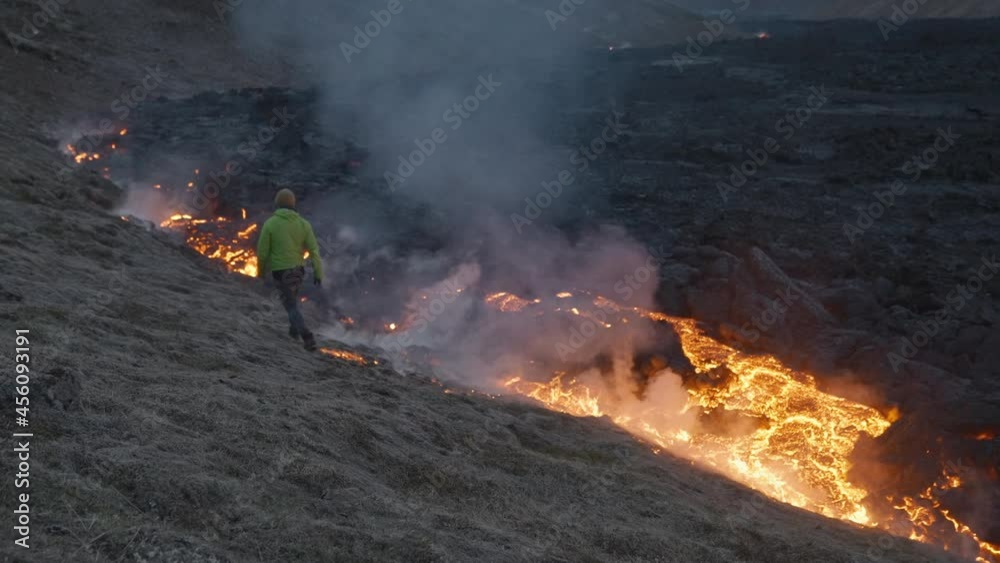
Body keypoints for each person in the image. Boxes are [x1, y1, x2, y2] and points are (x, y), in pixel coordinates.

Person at [256, 188, 323, 351]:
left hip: (280, 271)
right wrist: (318, 272)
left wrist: (260, 272)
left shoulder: (271, 223)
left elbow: (262, 251)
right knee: (292, 300)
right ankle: (293, 332)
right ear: (293, 204)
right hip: (298, 271)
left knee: (290, 306)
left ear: (277, 204)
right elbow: (314, 250)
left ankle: (307, 337)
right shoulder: (304, 224)